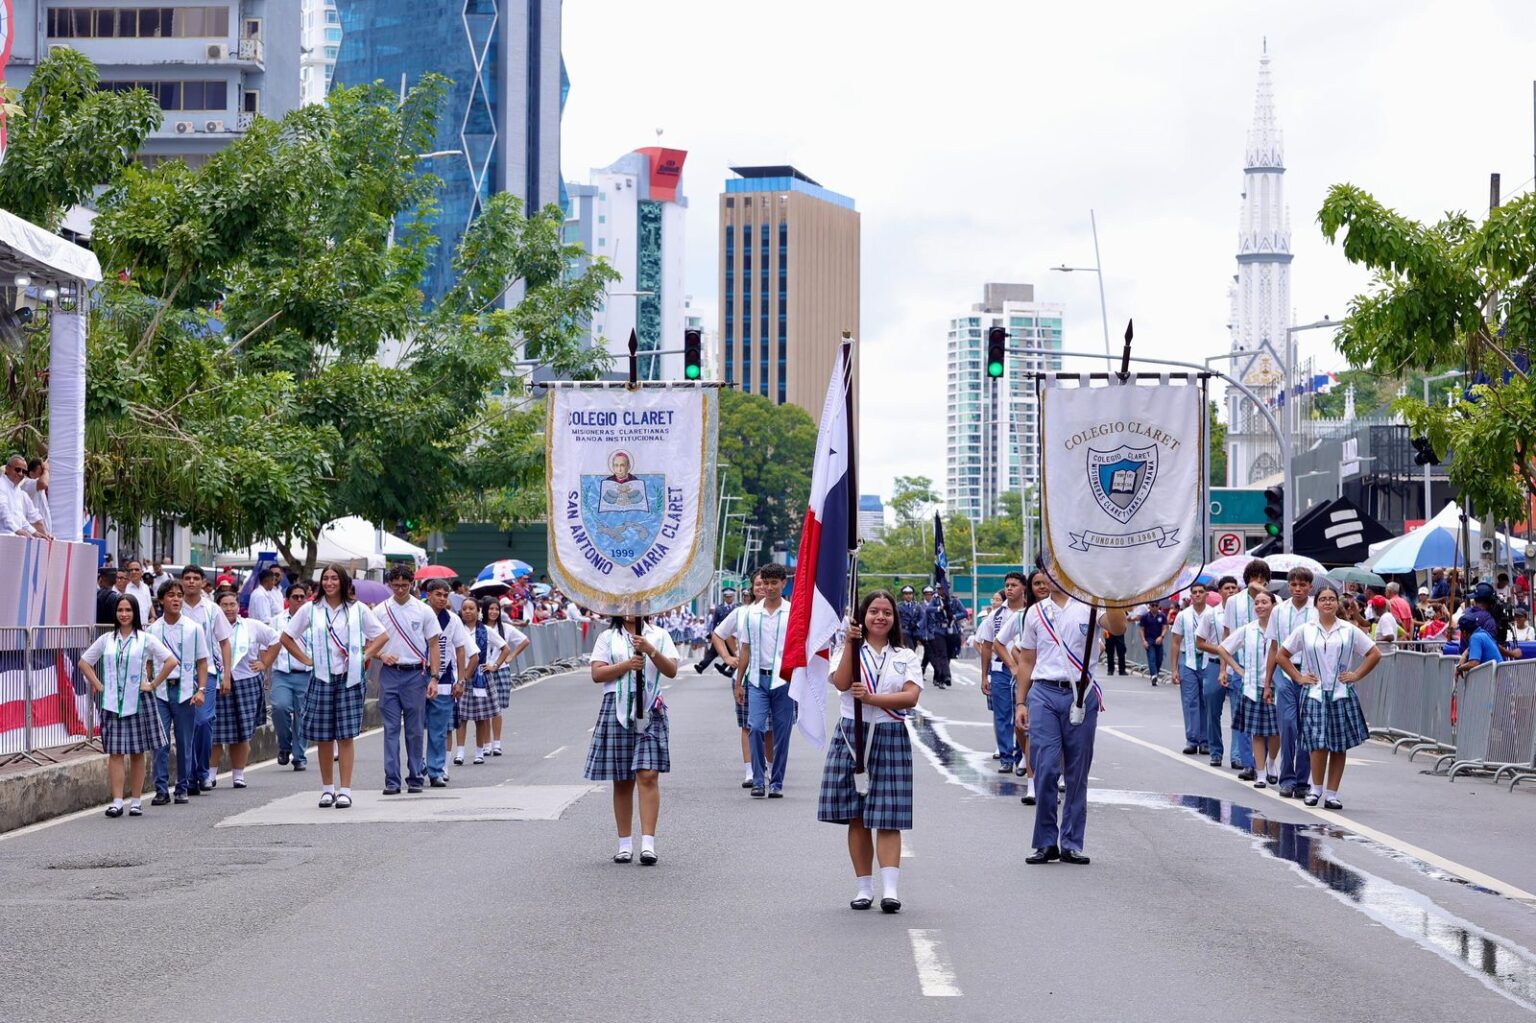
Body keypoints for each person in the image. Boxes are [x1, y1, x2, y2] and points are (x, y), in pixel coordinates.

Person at [1012, 575, 1128, 865]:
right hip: (1044, 694)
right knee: (1047, 768)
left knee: (1077, 772)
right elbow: (1027, 660)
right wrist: (1020, 702)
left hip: (1081, 694)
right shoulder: (1036, 612)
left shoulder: (1091, 605)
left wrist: (1111, 594)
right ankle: (1045, 842)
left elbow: (1118, 627)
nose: (1051, 578)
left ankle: (1072, 842)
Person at [819, 590, 921, 913]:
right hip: (852, 733)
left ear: (894, 619)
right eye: (874, 611)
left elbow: (910, 697)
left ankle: (890, 891)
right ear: (863, 616)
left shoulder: (906, 656)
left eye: (886, 612)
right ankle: (864, 888)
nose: (880, 617)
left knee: (889, 816)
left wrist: (873, 699)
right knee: (857, 815)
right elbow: (841, 682)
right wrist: (850, 643)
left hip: (890, 733)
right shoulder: (847, 650)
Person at [279, 564, 388, 809]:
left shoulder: (357, 609)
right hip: (321, 678)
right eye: (325, 578)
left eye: (334, 578)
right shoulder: (311, 609)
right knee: (324, 736)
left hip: (349, 678)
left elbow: (381, 635)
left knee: (346, 735)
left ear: (342, 581)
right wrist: (305, 659)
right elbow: (286, 636)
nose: (329, 583)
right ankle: (327, 789)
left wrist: (363, 655)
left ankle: (346, 789)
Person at [1275, 585, 1383, 810]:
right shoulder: (1306, 629)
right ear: (1316, 605)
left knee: (1338, 744)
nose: (1327, 602)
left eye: (1332, 599)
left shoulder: (1348, 630)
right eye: (1323, 599)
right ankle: (1315, 788)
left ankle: (1332, 793)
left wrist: (1356, 675)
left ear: (1338, 603)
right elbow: (1282, 654)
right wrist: (1298, 677)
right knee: (1317, 743)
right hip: (1314, 692)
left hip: (1340, 692)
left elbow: (1374, 653)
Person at [585, 612, 679, 865]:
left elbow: (671, 670)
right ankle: (624, 844)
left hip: (650, 708)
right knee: (623, 779)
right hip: (616, 706)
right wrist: (626, 665)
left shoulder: (658, 635)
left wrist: (650, 650)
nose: (630, 610)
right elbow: (597, 673)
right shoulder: (607, 637)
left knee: (648, 774)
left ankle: (648, 843)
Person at [79, 595, 177, 817]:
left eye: (128, 610)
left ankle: (136, 800)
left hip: (139, 700)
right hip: (113, 702)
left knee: (137, 751)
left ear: (135, 613)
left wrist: (152, 684)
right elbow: (84, 662)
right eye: (120, 610)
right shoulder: (106, 640)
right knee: (114, 752)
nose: (124, 614)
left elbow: (170, 661)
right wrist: (98, 685)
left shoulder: (145, 638)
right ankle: (116, 801)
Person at [373, 565, 442, 795]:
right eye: (396, 585)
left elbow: (433, 644)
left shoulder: (423, 610)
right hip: (390, 673)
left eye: (404, 585)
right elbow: (368, 644)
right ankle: (391, 780)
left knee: (414, 730)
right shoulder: (381, 610)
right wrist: (381, 654)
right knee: (390, 728)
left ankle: (415, 777)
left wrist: (434, 677)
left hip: (415, 674)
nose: (400, 589)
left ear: (412, 584)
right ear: (390, 585)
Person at [210, 590, 282, 789]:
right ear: (217, 607)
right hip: (218, 682)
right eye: (224, 605)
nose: (229, 608)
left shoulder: (251, 625)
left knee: (243, 731)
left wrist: (264, 663)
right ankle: (210, 774)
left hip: (246, 681)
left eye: (232, 604)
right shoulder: (210, 626)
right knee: (214, 731)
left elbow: (276, 640)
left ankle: (238, 774)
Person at [147, 580, 209, 804]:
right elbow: (148, 662)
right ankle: (161, 788)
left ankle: (182, 786)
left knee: (184, 740)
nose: (176, 599)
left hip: (184, 690)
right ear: (162, 599)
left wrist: (201, 690)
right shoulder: (153, 630)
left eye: (179, 595)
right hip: (161, 691)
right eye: (171, 595)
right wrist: (149, 684)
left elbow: (202, 662)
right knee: (160, 741)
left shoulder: (193, 628)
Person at [736, 562, 794, 798]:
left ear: (783, 583)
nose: (769, 588)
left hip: (784, 680)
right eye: (766, 583)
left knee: (782, 733)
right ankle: (759, 780)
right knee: (756, 727)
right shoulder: (751, 613)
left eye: (774, 583)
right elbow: (745, 650)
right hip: (757, 680)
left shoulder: (793, 613)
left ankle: (777, 781)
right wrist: (739, 682)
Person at [1212, 589, 1279, 787]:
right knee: (1256, 732)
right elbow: (1222, 648)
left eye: (1264, 602)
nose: (1260, 606)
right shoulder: (1248, 629)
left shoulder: (1281, 629)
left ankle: (1272, 762)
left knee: (1276, 731)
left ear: (1273, 605)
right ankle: (1260, 774)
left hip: (1274, 685)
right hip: (1251, 686)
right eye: (1257, 603)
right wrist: (1237, 669)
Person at [1263, 567, 1318, 799]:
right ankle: (1287, 778)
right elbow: (1274, 648)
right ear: (1288, 586)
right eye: (1294, 585)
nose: (1297, 589)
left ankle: (1302, 781)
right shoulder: (1279, 611)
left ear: (1310, 587)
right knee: (1288, 725)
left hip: (1310, 673)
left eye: (1302, 585)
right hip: (1285, 672)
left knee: (1306, 727)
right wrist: (1267, 683)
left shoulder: (1316, 609)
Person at [178, 565, 232, 795]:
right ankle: (189, 776)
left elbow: (224, 642)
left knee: (203, 721)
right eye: (187, 578)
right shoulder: (175, 607)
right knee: (185, 725)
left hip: (207, 671)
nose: (191, 582)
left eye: (195, 578)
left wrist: (227, 675)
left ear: (203, 582)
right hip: (179, 675)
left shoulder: (212, 610)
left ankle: (202, 770)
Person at [420, 579, 473, 785]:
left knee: (439, 730)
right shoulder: (420, 615)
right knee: (415, 729)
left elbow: (460, 649)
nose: (442, 599)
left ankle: (436, 770)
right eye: (438, 594)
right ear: (429, 595)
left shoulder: (452, 619)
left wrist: (461, 680)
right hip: (419, 678)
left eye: (445, 595)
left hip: (444, 680)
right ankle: (418, 766)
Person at [974, 572, 1027, 776]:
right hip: (1000, 670)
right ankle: (1006, 757)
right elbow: (987, 645)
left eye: (1014, 585)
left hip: (1026, 669)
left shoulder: (1031, 611)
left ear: (1024, 588)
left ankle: (1022, 754)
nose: (1009, 588)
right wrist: (984, 676)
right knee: (1002, 714)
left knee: (1021, 713)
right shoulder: (996, 615)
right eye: (1007, 585)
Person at [1200, 575, 1253, 771]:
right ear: (1219, 591)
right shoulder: (1211, 614)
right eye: (1227, 588)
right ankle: (1215, 752)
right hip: (1215, 665)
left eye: (1234, 588)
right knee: (1213, 712)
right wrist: (1223, 649)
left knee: (1238, 712)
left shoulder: (1244, 613)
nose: (1231, 591)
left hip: (1238, 665)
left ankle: (1237, 755)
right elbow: (1200, 642)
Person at [714, 572, 762, 787]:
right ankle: (750, 771)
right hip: (744, 675)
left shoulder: (784, 612)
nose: (763, 587)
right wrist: (727, 657)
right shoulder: (742, 612)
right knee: (747, 725)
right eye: (759, 583)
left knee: (768, 727)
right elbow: (718, 634)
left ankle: (768, 767)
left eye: (769, 583)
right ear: (752, 587)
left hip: (772, 676)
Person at [453, 599, 508, 765]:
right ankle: (460, 752)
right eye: (464, 608)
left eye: (471, 608)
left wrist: (494, 665)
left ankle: (479, 751)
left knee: (481, 717)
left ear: (478, 611)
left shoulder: (485, 630)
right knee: (461, 716)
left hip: (480, 677)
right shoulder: (457, 629)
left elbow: (505, 648)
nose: (468, 611)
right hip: (460, 675)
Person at [1166, 582, 1217, 757]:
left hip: (1208, 661)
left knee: (1207, 701)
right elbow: (1175, 642)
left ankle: (1205, 741)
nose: (1197, 595)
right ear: (1190, 595)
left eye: (1200, 592)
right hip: (1188, 661)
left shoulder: (1213, 613)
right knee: (1190, 701)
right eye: (1194, 592)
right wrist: (1174, 669)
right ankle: (1192, 739)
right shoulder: (1183, 615)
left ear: (1206, 594)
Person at [269, 581, 314, 771]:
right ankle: (284, 745)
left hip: (306, 674)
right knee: (279, 707)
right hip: (282, 673)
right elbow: (268, 645)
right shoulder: (277, 621)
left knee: (303, 715)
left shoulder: (314, 619)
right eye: (294, 597)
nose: (298, 600)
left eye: (302, 597)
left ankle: (299, 755)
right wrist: (265, 667)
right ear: (288, 600)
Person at [483, 599, 529, 756]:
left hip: (500, 669)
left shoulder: (506, 628)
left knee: (497, 709)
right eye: (490, 609)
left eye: (496, 609)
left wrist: (512, 656)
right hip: (483, 670)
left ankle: (497, 743)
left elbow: (524, 641)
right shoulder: (478, 627)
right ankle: (486, 743)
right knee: (483, 709)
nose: (494, 612)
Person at [921, 586, 967, 690]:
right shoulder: (936, 600)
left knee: (949, 655)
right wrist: (939, 608)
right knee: (942, 654)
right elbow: (928, 609)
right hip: (939, 630)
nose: (940, 591)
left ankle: (941, 677)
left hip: (951, 630)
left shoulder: (954, 601)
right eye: (938, 589)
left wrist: (954, 616)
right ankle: (947, 676)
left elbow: (964, 612)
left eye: (942, 589)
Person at [1, 454, 50, 538]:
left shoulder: (18, 491)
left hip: (15, 539)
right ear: (7, 469)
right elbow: (3, 512)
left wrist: (35, 533)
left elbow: (21, 518)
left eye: (24, 471)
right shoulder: (1, 484)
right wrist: (17, 530)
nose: (21, 473)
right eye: (17, 469)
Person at [693, 586, 738, 676]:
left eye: (730, 596)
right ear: (724, 597)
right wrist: (712, 634)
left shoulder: (737, 608)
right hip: (720, 634)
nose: (729, 598)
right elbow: (714, 622)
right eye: (727, 596)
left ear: (733, 597)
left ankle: (729, 669)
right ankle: (702, 666)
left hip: (732, 635)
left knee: (733, 652)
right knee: (712, 651)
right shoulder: (719, 609)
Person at [1454, 612, 1504, 678]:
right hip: (1500, 678)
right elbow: (1467, 651)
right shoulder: (1482, 633)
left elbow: (1473, 663)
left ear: (1464, 633)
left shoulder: (1475, 638)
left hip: (1497, 682)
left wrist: (1459, 668)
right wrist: (1463, 658)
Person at [1139, 601, 1168, 685]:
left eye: (1156, 605)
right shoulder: (1145, 617)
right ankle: (1154, 676)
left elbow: (1165, 627)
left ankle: (1156, 673)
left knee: (1159, 659)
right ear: (1149, 606)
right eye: (1152, 605)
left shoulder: (1162, 616)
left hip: (1159, 640)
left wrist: (1162, 636)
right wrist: (1143, 641)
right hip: (1149, 640)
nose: (1154, 607)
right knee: (1152, 658)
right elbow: (1141, 629)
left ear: (1159, 606)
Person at [21, 457, 50, 535]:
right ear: (31, 474)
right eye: (41, 473)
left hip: (43, 533)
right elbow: (43, 483)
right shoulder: (26, 483)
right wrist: (46, 470)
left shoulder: (37, 486)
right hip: (35, 533)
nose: (44, 475)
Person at [121, 560, 155, 625]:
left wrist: (153, 617)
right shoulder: (125, 588)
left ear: (142, 572)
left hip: (145, 627)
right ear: (128, 573)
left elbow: (150, 604)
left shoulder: (145, 587)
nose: (134, 572)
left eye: (136, 569)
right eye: (131, 570)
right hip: (130, 626)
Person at [895, 586, 924, 651]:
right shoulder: (899, 606)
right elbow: (896, 619)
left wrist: (918, 624)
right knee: (911, 648)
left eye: (910, 594)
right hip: (904, 631)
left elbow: (922, 618)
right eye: (906, 594)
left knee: (914, 648)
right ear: (903, 595)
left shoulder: (917, 606)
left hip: (915, 631)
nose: (908, 596)